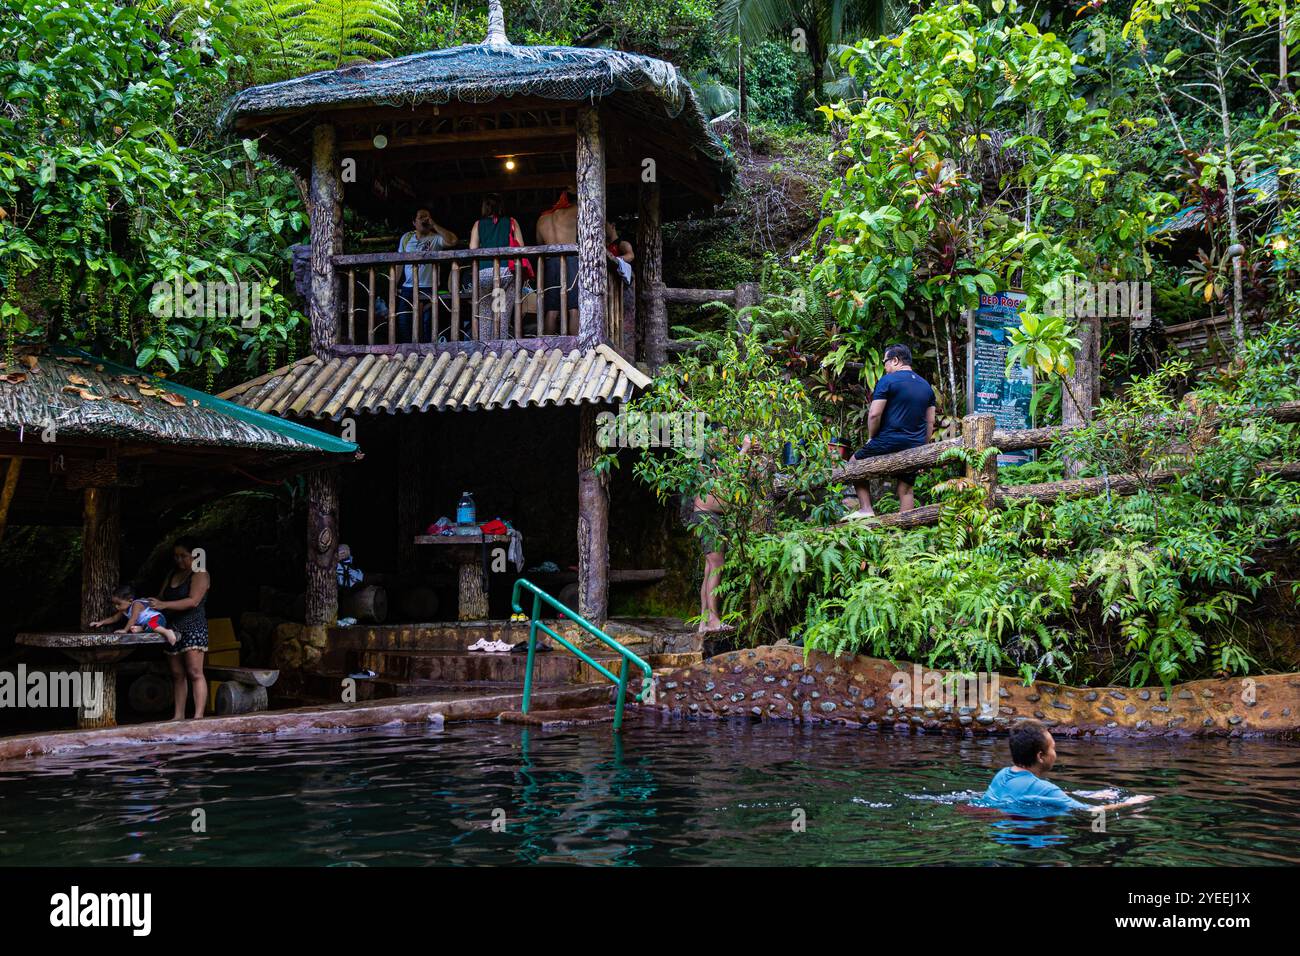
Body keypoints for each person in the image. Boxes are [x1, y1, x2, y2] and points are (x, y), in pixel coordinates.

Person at [843, 343, 936, 519]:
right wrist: (922, 450)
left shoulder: (888, 380)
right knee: (906, 489)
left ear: (895, 360)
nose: (884, 367)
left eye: (885, 362)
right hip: (915, 446)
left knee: (853, 463)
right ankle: (907, 532)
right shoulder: (926, 386)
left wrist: (872, 438)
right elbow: (930, 422)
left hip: (889, 441)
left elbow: (874, 414)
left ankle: (866, 509)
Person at [982, 720, 1154, 815]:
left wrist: (1089, 794)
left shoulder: (1003, 774)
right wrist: (1130, 803)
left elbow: (1034, 793)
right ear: (1041, 756)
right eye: (1053, 748)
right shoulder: (1046, 788)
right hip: (1034, 835)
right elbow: (1092, 811)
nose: (1055, 753)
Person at [685, 431, 754, 634]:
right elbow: (729, 473)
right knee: (716, 567)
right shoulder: (708, 458)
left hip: (709, 517)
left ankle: (704, 620)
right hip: (707, 517)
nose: (722, 439)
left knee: (710, 568)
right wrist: (745, 449)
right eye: (720, 435)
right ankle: (713, 619)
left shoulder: (714, 457)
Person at [147, 537, 211, 720]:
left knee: (194, 672)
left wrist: (164, 605)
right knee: (177, 674)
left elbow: (193, 601)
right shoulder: (171, 574)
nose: (179, 560)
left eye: (184, 556)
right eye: (176, 556)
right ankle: (178, 716)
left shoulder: (200, 573)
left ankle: (198, 717)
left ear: (194, 555)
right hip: (172, 628)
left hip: (193, 626)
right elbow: (160, 597)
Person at [396, 207, 458, 343]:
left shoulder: (436, 238)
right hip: (408, 288)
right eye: (421, 217)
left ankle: (428, 354)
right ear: (414, 222)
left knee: (427, 323)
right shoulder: (406, 238)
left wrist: (434, 224)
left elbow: (453, 241)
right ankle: (408, 352)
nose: (424, 220)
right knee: (403, 321)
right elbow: (399, 263)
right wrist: (394, 284)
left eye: (427, 217)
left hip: (429, 288)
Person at [469, 193, 525, 340]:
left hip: (484, 273)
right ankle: (500, 347)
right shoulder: (511, 222)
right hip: (505, 272)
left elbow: (472, 249)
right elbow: (521, 247)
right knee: (502, 312)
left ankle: (484, 349)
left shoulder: (478, 224)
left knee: (485, 313)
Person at [536, 187, 579, 335]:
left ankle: (548, 350)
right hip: (571, 261)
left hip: (550, 263)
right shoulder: (576, 210)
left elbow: (539, 243)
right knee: (574, 308)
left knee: (552, 309)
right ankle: (576, 349)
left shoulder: (542, 219)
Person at [90, 584, 178, 647]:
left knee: (150, 624)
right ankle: (142, 628)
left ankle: (167, 632)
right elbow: (114, 618)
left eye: (118, 604)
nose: (116, 607)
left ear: (130, 601)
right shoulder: (124, 609)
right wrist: (101, 622)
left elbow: (133, 618)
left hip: (157, 619)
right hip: (147, 624)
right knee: (139, 628)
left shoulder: (136, 604)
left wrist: (125, 630)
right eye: (114, 604)